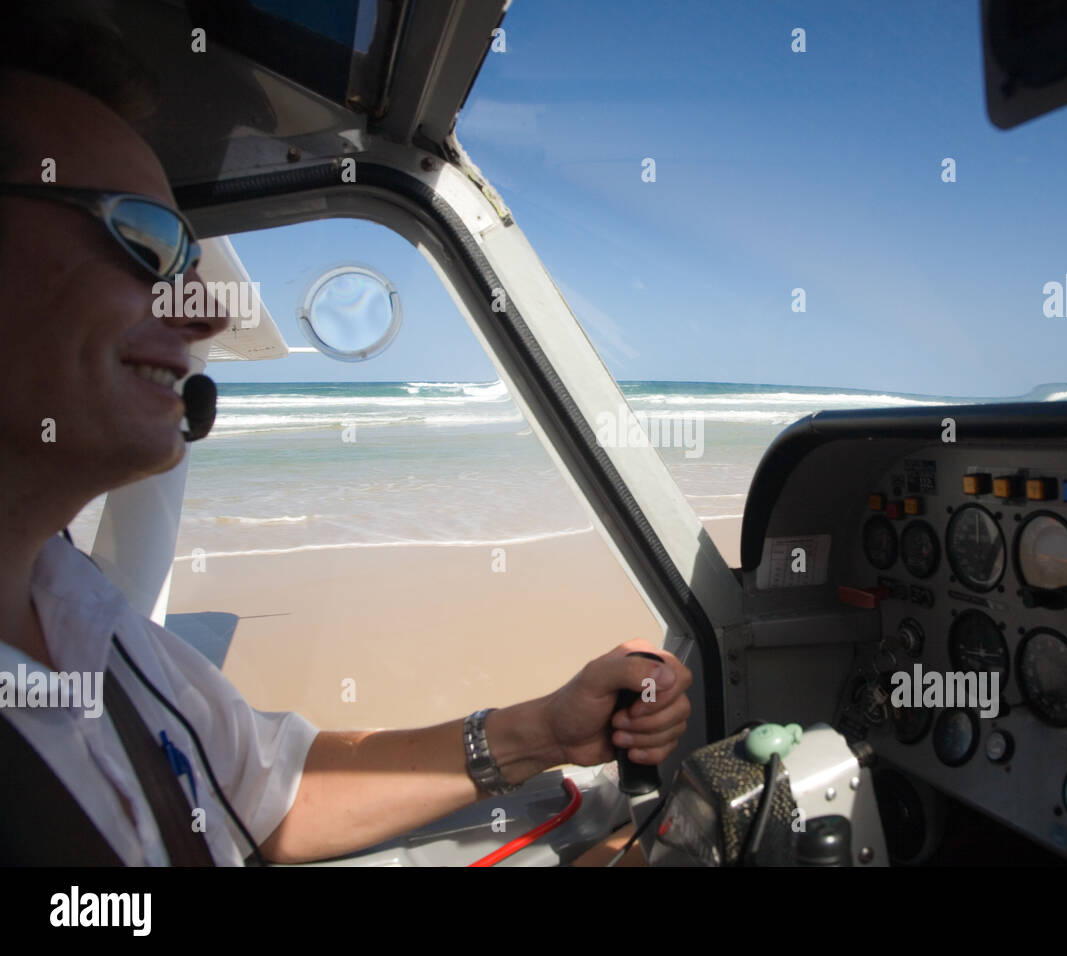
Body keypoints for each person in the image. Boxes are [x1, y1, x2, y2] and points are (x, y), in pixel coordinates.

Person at [0, 14, 692, 865]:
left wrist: (541, 729)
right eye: (144, 239)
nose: (207, 308)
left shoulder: (76, 608)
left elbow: (274, 797)